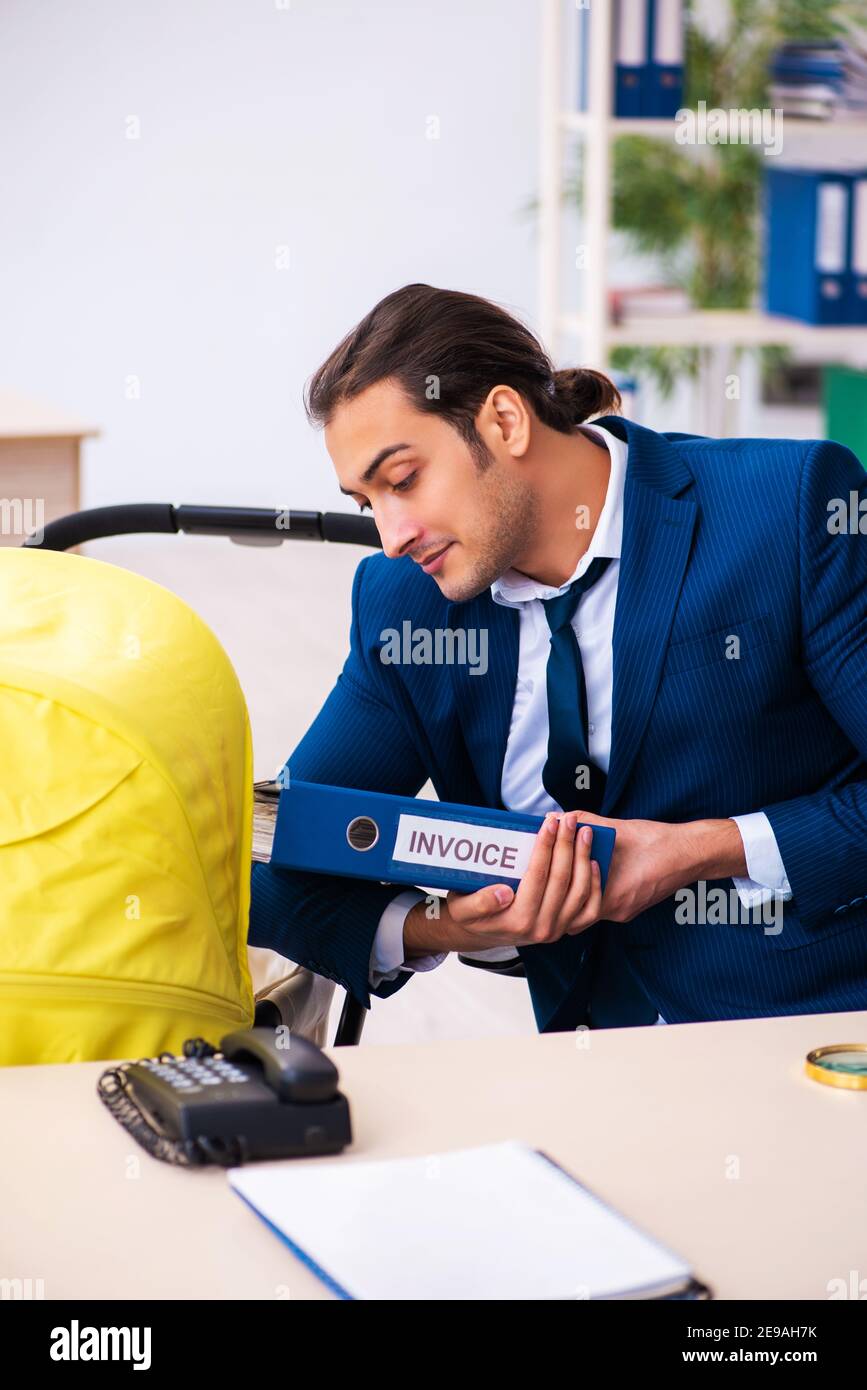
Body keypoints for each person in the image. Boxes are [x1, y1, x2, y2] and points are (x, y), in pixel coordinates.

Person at [248, 282, 867, 1031]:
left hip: (810, 1032)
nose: (391, 534)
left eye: (403, 480)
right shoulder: (405, 605)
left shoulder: (787, 507)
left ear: (505, 420)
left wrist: (700, 851)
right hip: (588, 1059)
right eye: (366, 501)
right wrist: (440, 927)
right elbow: (273, 865)